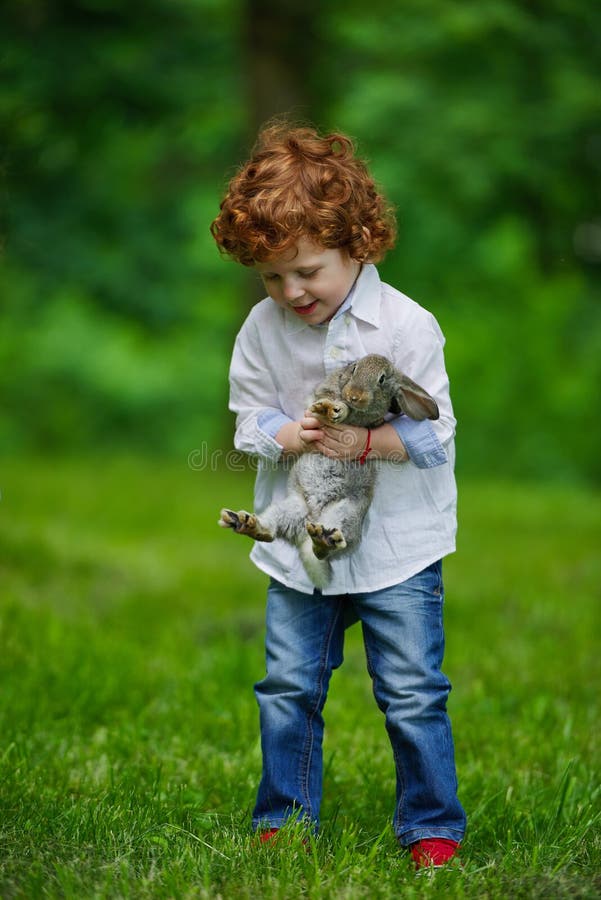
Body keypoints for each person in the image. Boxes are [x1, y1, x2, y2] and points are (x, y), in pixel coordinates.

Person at [210, 121, 466, 870]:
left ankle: (431, 826)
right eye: (271, 278)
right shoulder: (263, 328)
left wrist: (365, 443)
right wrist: (288, 433)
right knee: (288, 686)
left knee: (412, 691)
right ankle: (284, 818)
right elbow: (247, 418)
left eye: (306, 272)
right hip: (301, 551)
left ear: (356, 242)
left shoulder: (407, 324)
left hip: (397, 547)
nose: (290, 293)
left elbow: (435, 434)